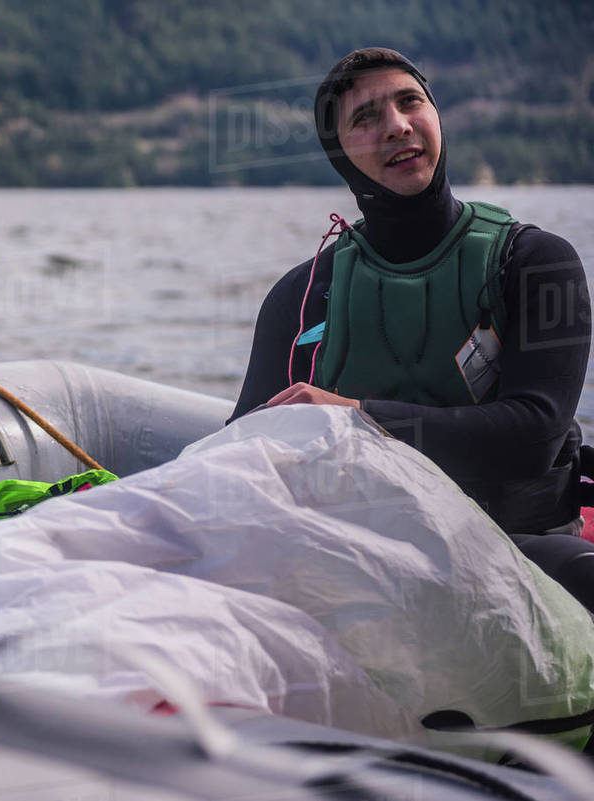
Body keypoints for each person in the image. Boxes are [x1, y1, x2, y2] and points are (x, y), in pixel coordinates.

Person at [230, 47, 594, 609]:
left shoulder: (535, 264)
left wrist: (358, 419)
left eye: (409, 102)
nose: (397, 126)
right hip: (356, 553)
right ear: (341, 154)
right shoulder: (301, 298)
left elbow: (534, 438)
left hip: (513, 549)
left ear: (436, 117)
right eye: (365, 118)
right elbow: (241, 453)